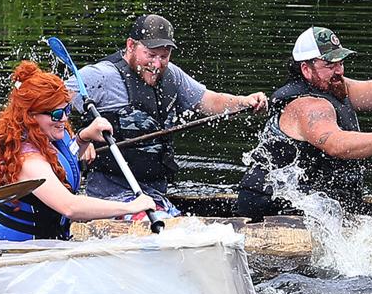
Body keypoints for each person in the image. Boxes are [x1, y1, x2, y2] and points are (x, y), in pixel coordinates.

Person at [68, 13, 268, 209]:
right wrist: (80, 139)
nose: (157, 64)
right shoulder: (101, 76)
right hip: (110, 197)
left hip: (155, 195)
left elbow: (210, 101)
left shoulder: (172, 75)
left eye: (164, 56)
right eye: (151, 55)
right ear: (131, 45)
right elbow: (48, 108)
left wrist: (244, 102)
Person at [233, 26, 372, 219]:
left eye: (340, 63)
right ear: (306, 69)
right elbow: (336, 145)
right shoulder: (308, 106)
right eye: (330, 65)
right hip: (271, 206)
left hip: (312, 199)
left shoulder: (333, 84)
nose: (339, 71)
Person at [0, 60, 155, 243]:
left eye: (66, 109)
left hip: (39, 245)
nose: (64, 118)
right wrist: (130, 207)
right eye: (57, 114)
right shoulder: (28, 161)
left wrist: (84, 138)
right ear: (30, 116)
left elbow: (64, 162)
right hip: (1, 251)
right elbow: (70, 207)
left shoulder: (50, 135)